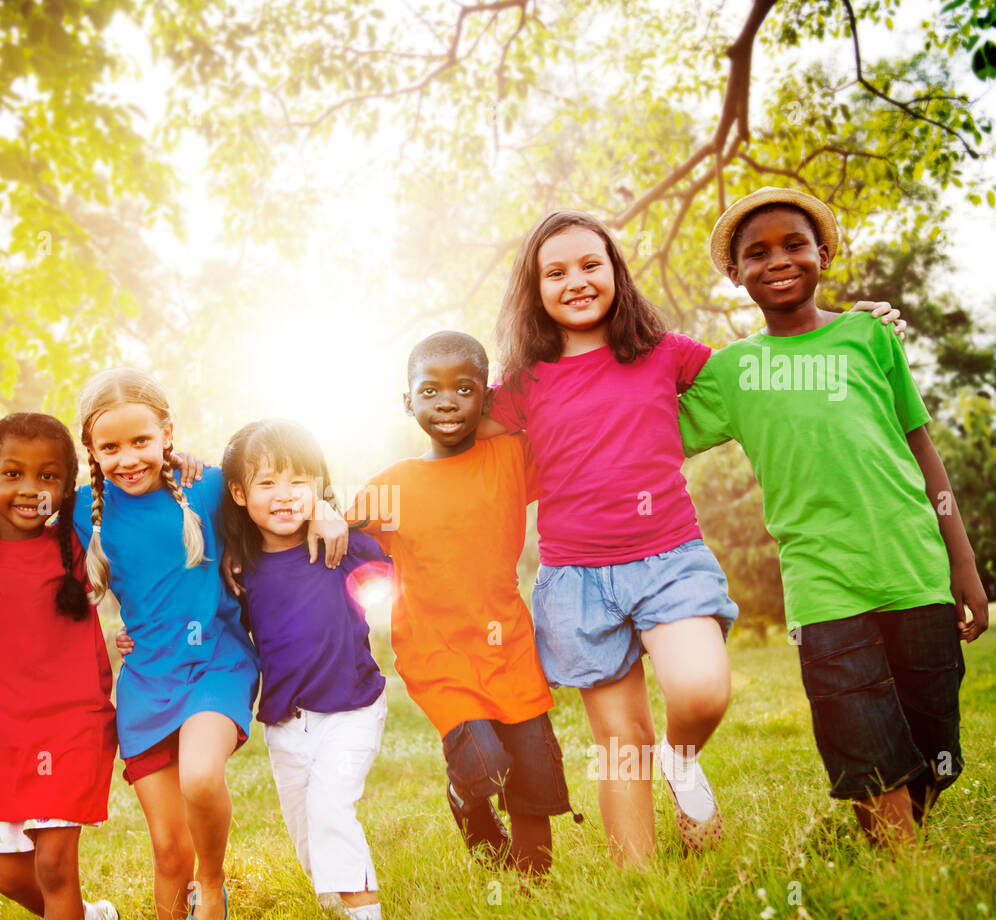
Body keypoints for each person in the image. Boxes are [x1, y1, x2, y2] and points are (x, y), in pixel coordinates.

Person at [480, 209, 905, 866]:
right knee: (621, 739)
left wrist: (859, 328)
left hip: (668, 559)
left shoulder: (664, 352)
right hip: (577, 577)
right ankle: (642, 891)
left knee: (702, 688)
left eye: (591, 264)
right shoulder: (522, 385)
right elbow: (456, 437)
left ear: (615, 271)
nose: (576, 281)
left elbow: (766, 370)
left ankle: (681, 761)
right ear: (534, 289)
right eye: (555, 272)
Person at [678, 186, 987, 846]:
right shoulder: (733, 371)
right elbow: (649, 429)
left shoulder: (871, 336)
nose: (779, 260)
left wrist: (963, 563)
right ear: (735, 275)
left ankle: (907, 826)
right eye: (756, 253)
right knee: (858, 730)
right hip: (823, 585)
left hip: (916, 569)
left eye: (794, 244)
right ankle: (897, 868)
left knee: (933, 739)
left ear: (823, 253)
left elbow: (921, 446)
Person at [69, 369, 348, 920]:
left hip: (216, 665)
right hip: (145, 680)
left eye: (142, 441)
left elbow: (279, 487)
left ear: (167, 432)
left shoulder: (212, 486)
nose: (128, 458)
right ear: (90, 450)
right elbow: (13, 487)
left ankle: (213, 881)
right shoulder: (80, 511)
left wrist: (324, 506)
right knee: (168, 847)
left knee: (200, 775)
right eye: (110, 447)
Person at [348, 331, 580, 878]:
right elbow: (340, 546)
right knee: (486, 765)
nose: (447, 402)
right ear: (408, 402)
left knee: (531, 777)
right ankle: (465, 798)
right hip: (439, 656)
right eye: (429, 391)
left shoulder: (510, 457)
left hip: (511, 648)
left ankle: (532, 893)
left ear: (487, 396)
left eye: (464, 389)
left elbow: (561, 417)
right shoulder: (391, 487)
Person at [0, 413, 119, 920]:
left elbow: (137, 479)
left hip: (71, 724)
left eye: (48, 477)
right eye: (12, 475)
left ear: (69, 486)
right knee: (10, 880)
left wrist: (183, 460)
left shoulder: (75, 535)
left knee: (53, 865)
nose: (30, 489)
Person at [220, 419, 391, 920]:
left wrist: (334, 517)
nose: (284, 495)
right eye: (266, 483)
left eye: (299, 480)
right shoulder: (241, 569)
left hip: (352, 705)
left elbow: (387, 588)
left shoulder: (341, 544)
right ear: (240, 494)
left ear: (319, 484)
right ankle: (338, 903)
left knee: (329, 808)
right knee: (305, 826)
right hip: (285, 721)